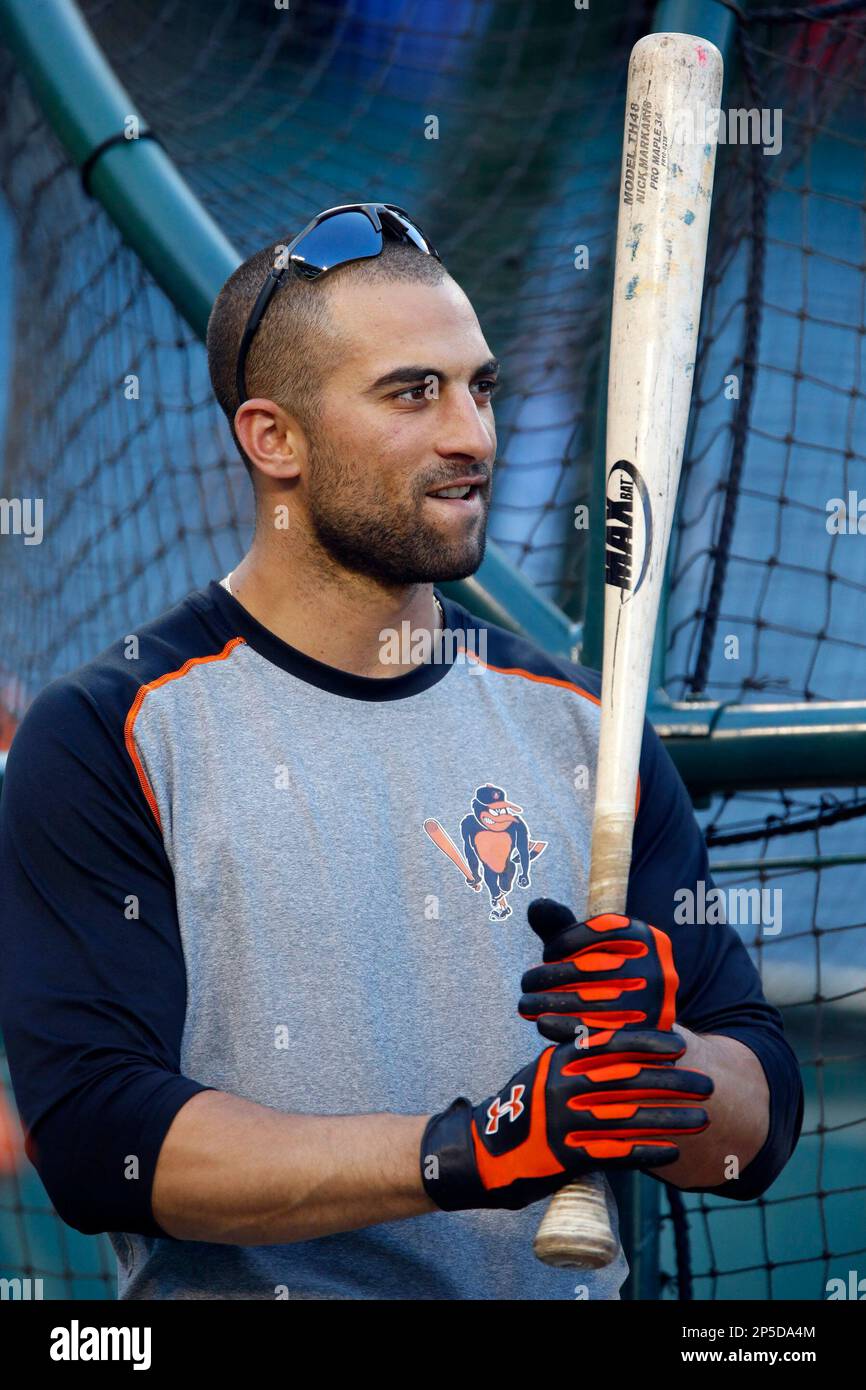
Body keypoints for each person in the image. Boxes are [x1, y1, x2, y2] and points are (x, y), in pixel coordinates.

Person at [0, 204, 802, 1300]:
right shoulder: (113, 733)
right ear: (272, 438)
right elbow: (102, 1141)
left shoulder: (579, 726)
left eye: (480, 388)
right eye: (411, 392)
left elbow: (750, 1138)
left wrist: (663, 1064)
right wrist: (467, 1151)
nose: (470, 434)